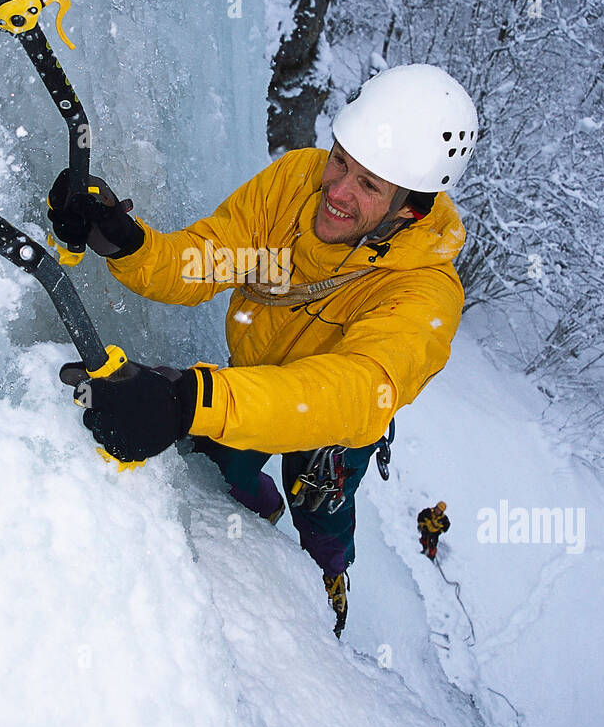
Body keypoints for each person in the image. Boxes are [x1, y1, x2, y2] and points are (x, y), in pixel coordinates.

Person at [51, 65, 478, 635]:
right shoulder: (295, 182)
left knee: (322, 513)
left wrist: (191, 399)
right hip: (251, 380)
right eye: (341, 160)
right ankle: (258, 514)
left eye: (369, 185)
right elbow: (208, 257)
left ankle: (329, 576)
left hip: (331, 428)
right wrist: (128, 242)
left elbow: (355, 392)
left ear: (412, 209)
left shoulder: (424, 292)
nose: (336, 190)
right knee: (229, 463)